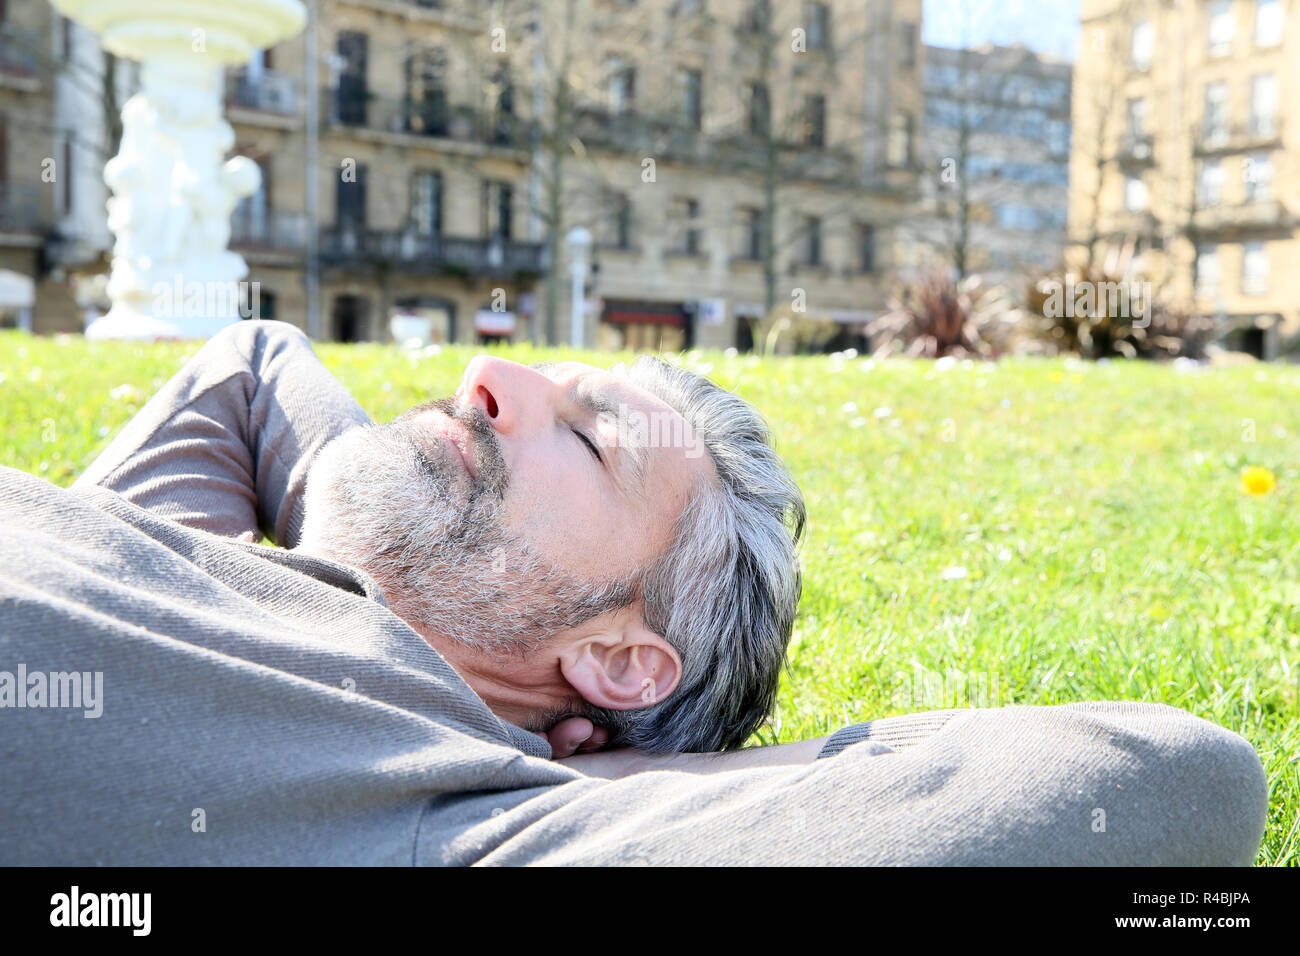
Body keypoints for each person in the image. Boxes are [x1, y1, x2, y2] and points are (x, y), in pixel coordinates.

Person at [0, 320, 1267, 865]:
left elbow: (1174, 773)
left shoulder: (430, 809)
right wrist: (351, 507)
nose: (487, 371)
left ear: (619, 660)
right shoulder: (232, 575)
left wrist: (593, 772)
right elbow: (255, 362)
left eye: (590, 438)